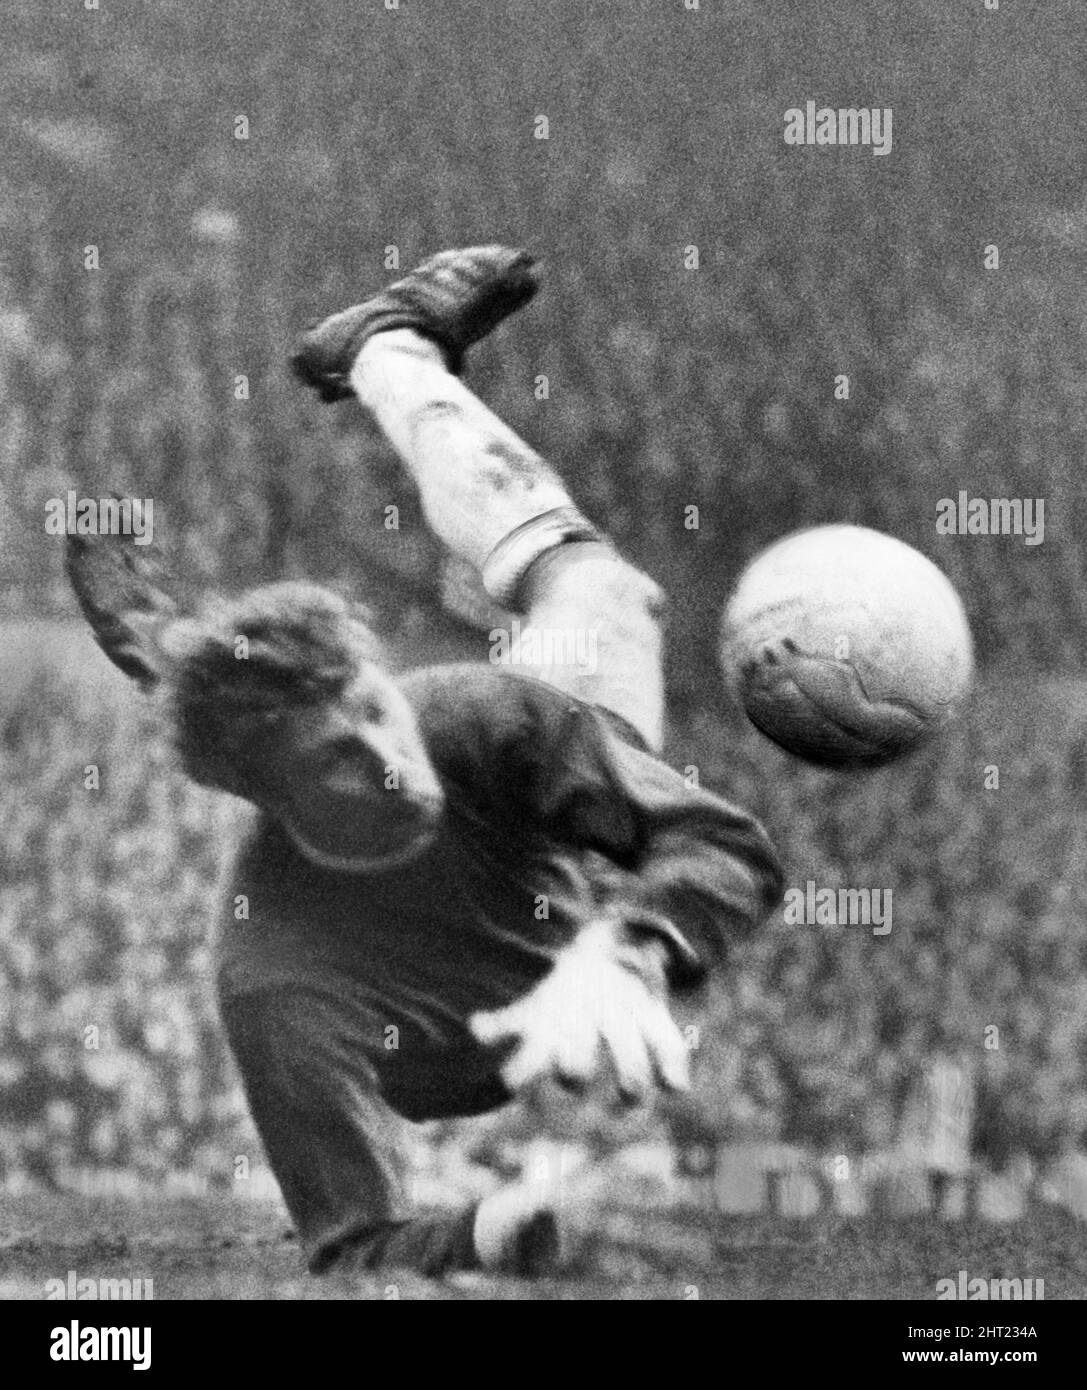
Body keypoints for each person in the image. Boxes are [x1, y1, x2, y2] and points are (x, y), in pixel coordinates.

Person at [67, 247, 783, 1277]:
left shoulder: (466, 716)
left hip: (545, 847)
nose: (386, 756)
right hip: (431, 1057)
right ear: (275, 800)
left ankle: (388, 352)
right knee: (216, 704)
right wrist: (503, 1229)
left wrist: (635, 946)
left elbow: (724, 844)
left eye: (372, 705)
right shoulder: (277, 976)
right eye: (335, 758)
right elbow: (354, 1246)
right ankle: (167, 650)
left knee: (607, 595)